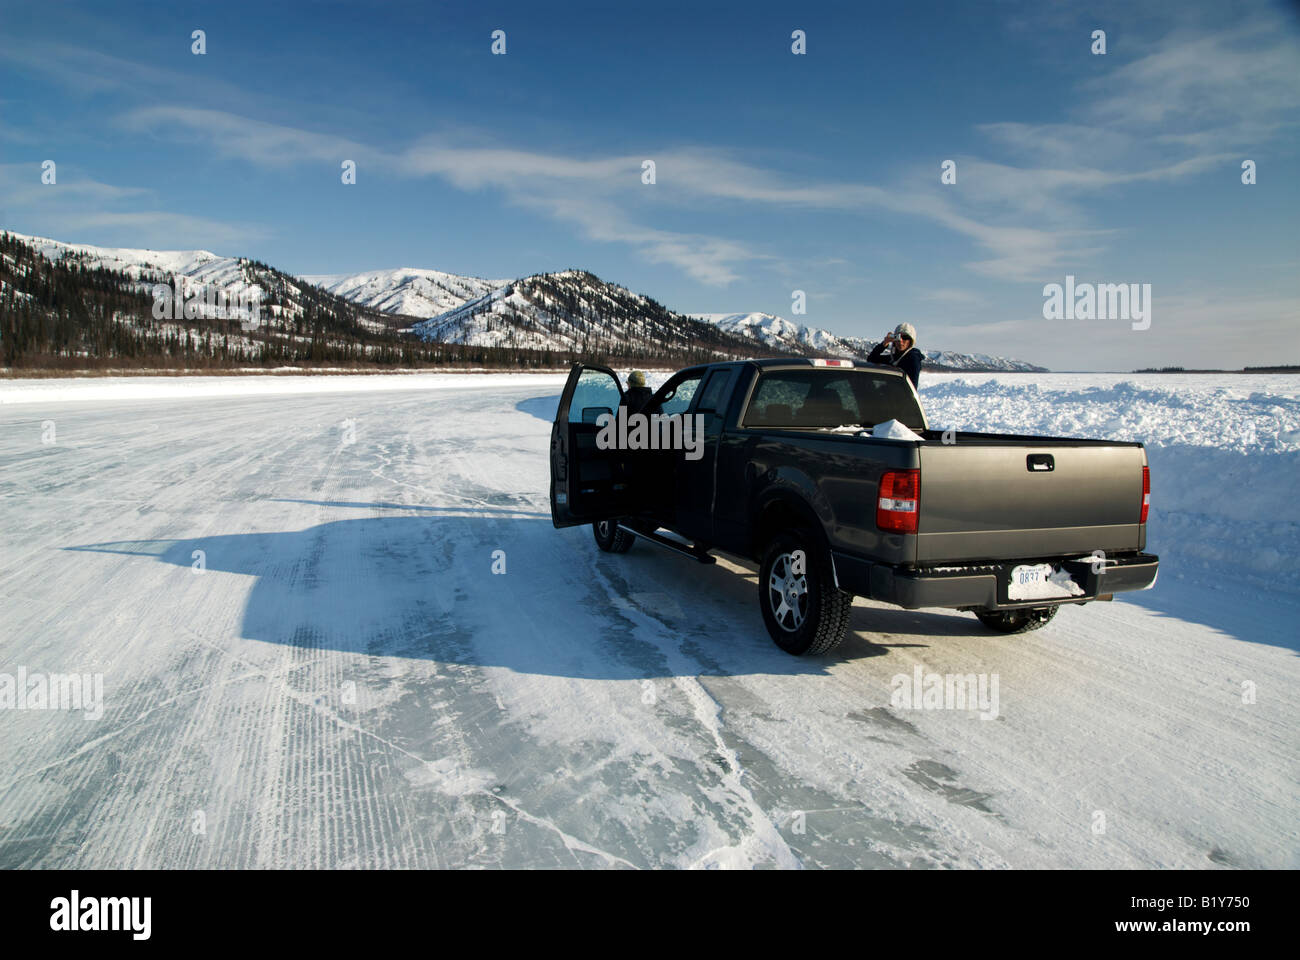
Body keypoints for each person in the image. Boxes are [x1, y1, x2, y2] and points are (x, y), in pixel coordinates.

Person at [867, 322, 924, 389]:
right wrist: (884, 344)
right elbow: (871, 360)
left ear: (911, 341)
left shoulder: (913, 359)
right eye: (898, 337)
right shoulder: (894, 358)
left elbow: (911, 388)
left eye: (905, 337)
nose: (900, 341)